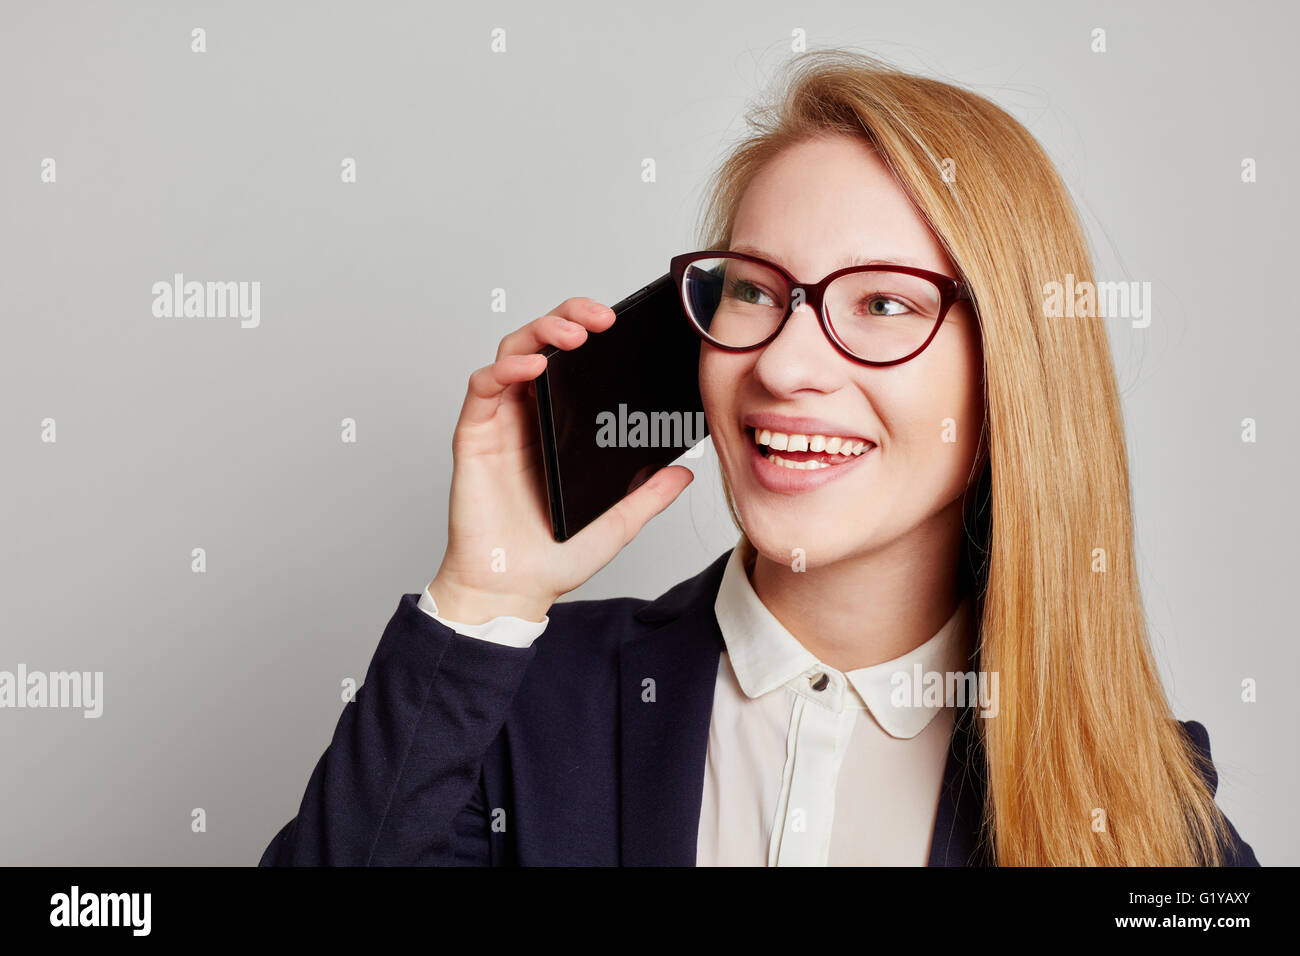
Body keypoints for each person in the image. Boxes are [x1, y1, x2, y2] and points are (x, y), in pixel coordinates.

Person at [259, 48, 1258, 866]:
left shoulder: (1141, 811)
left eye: (882, 304)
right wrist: (482, 596)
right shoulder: (516, 701)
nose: (783, 362)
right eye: (754, 291)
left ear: (1011, 376)